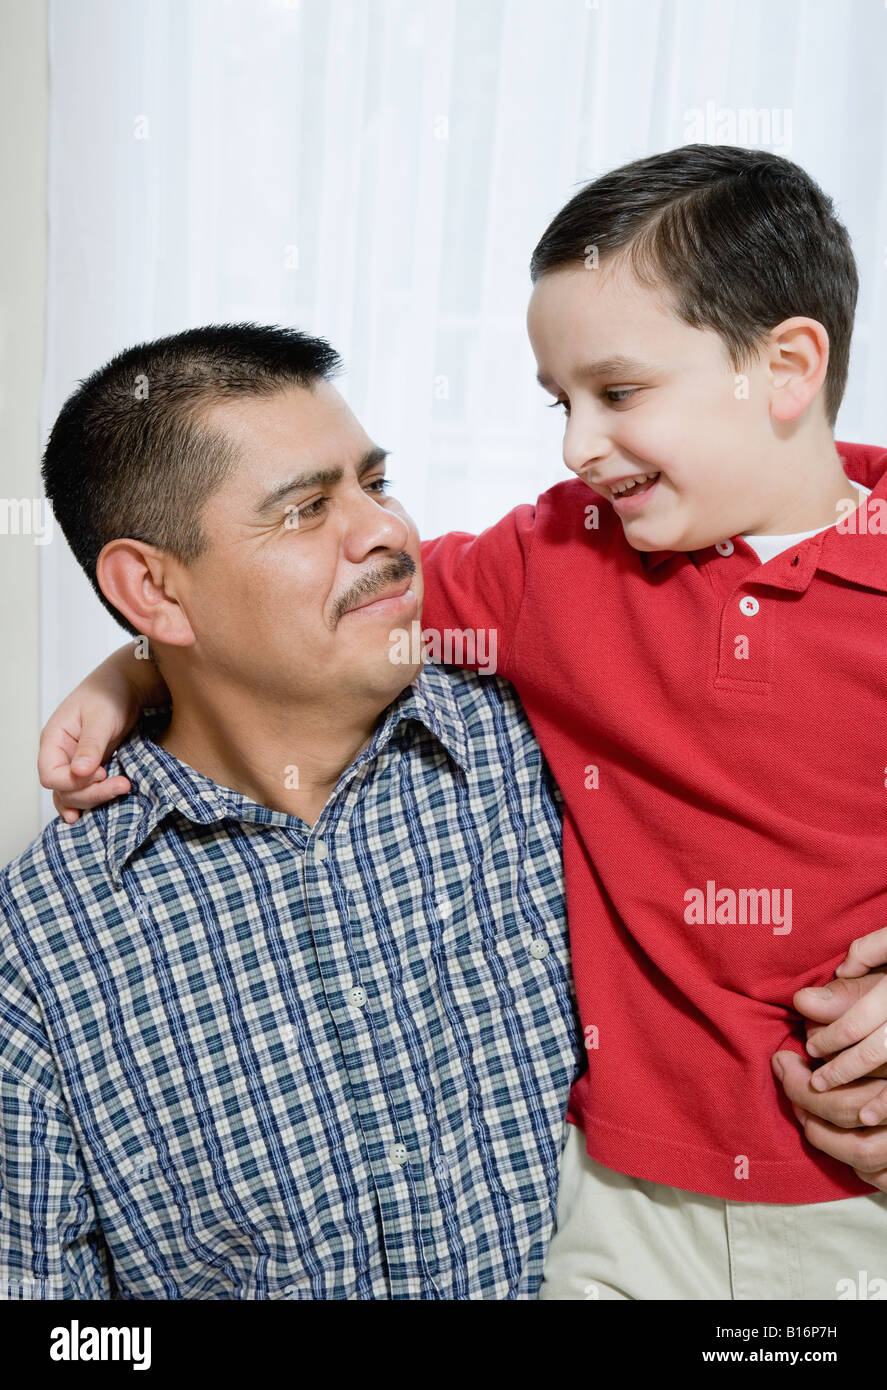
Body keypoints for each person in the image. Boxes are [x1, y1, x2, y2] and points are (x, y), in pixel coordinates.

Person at [44, 146, 887, 1301]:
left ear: (786, 366)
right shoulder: (558, 566)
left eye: (618, 393)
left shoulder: (511, 737)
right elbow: (371, 601)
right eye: (305, 507)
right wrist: (133, 663)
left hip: (844, 1202)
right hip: (633, 1206)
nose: (574, 446)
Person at [0, 324, 583, 1300]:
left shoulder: (549, 752)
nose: (386, 532)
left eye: (375, 483)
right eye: (308, 509)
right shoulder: (44, 948)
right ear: (153, 588)